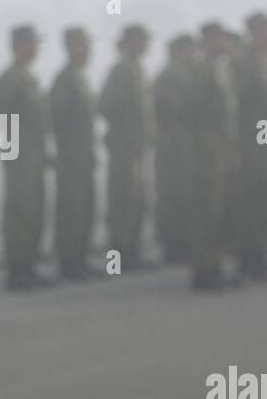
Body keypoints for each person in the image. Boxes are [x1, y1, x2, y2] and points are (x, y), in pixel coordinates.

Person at [0, 24, 52, 290]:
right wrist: (12, 141)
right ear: (19, 45)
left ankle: (29, 266)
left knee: (35, 210)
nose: (36, 49)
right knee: (19, 212)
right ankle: (17, 270)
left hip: (34, 156)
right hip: (20, 158)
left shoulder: (29, 77)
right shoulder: (11, 78)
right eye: (32, 43)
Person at [188, 21, 239, 290]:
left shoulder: (221, 70)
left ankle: (214, 266)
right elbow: (194, 113)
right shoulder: (202, 71)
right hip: (205, 153)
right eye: (218, 39)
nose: (224, 44)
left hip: (219, 150)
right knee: (206, 212)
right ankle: (204, 270)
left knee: (218, 211)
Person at [99, 22, 154, 271]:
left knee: (135, 201)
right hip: (124, 147)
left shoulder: (137, 70)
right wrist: (124, 127)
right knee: (122, 201)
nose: (145, 46)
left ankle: (131, 252)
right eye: (141, 41)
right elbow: (107, 105)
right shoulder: (121, 71)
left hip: (136, 147)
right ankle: (119, 258)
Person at [234, 12, 267, 280]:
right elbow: (241, 105)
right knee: (253, 197)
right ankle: (251, 258)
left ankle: (262, 255)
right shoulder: (245, 63)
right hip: (253, 139)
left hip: (265, 139)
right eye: (263, 31)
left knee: (266, 197)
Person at [48, 26, 97, 281]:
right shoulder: (65, 79)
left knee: (85, 209)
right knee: (72, 210)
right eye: (82, 45)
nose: (88, 51)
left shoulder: (79, 77)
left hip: (83, 157)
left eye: (88, 45)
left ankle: (80, 259)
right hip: (71, 158)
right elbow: (57, 117)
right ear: (70, 48)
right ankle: (69, 262)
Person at [154, 33, 196, 265]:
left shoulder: (185, 76)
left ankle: (181, 242)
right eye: (188, 50)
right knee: (172, 195)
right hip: (172, 147)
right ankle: (173, 245)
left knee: (183, 194)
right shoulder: (169, 78)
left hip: (184, 146)